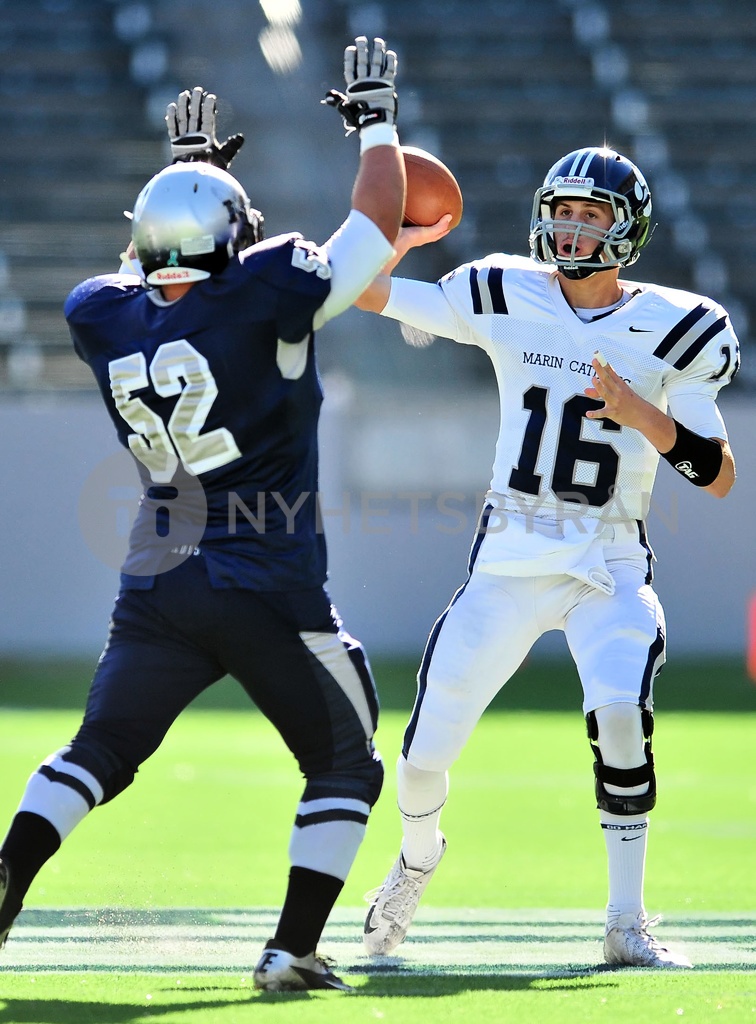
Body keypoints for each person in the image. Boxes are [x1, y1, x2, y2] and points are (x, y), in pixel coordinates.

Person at [0, 36, 406, 992]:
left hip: (159, 576)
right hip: (264, 577)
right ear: (234, 238)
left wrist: (183, 177)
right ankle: (292, 949)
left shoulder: (100, 312)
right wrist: (378, 125)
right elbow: (376, 224)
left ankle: (8, 873)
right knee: (346, 763)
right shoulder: (267, 290)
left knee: (98, 751)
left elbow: (151, 267)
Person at [359, 146, 738, 969]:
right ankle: (417, 860)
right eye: (563, 211)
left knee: (621, 718)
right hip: (507, 563)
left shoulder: (680, 325)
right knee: (420, 759)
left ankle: (625, 923)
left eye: (590, 214)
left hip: (608, 566)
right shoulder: (505, 290)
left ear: (626, 228)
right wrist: (398, 240)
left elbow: (718, 474)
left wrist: (640, 412)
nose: (571, 228)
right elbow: (366, 291)